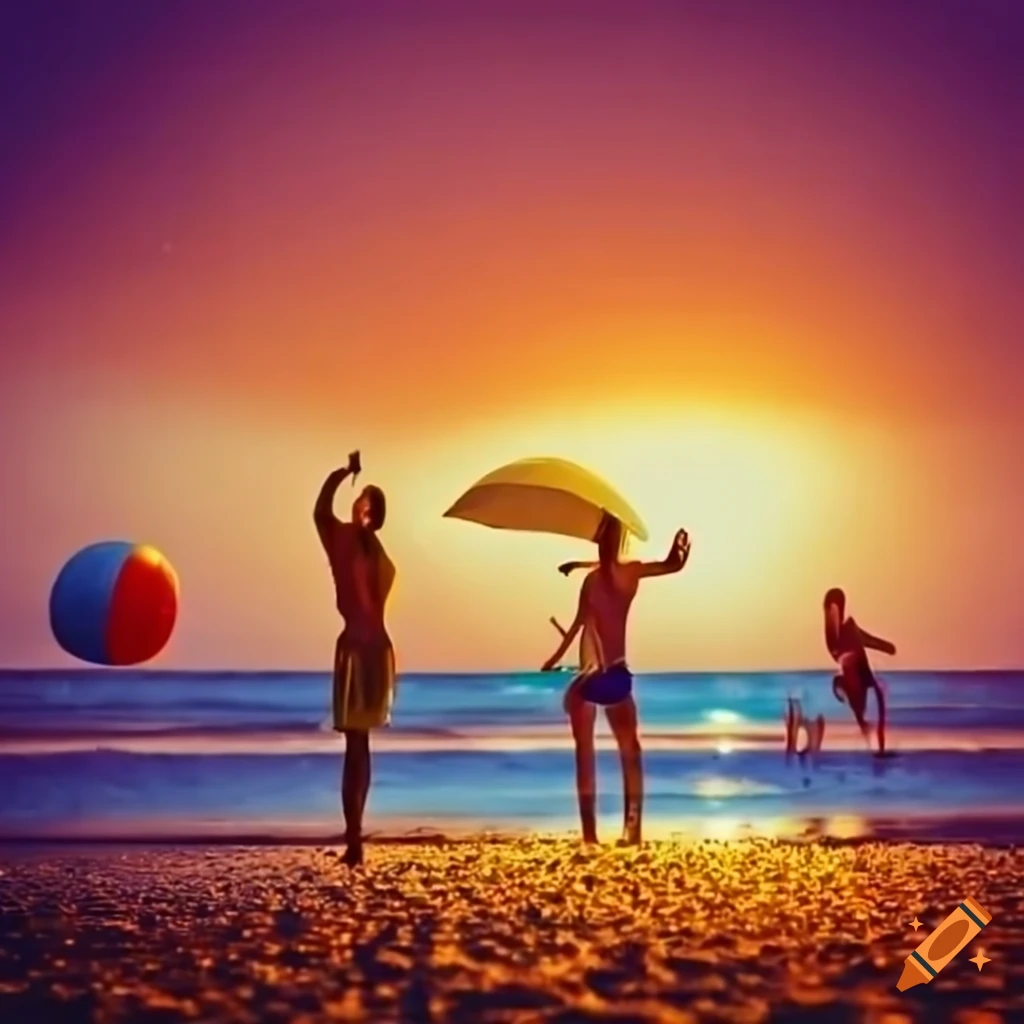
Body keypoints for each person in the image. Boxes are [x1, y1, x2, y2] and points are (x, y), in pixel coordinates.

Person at [541, 513, 691, 845]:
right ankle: (632, 829)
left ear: (598, 539)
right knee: (630, 751)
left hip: (591, 678)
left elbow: (578, 625)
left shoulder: (592, 582)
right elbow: (669, 565)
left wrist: (552, 660)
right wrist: (678, 553)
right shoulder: (631, 572)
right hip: (618, 675)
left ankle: (590, 835)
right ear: (622, 538)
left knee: (584, 751)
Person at [314, 450, 396, 866]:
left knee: (355, 746)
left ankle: (354, 838)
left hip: (355, 649)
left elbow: (319, 510)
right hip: (379, 649)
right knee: (361, 748)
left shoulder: (346, 541)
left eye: (361, 497)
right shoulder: (380, 555)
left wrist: (341, 472)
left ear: (365, 510)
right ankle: (355, 835)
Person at [823, 587, 895, 754]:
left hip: (852, 661)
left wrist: (885, 646)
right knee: (869, 699)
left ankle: (877, 741)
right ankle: (874, 741)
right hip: (849, 661)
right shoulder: (841, 633)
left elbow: (864, 639)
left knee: (873, 695)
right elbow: (857, 640)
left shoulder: (847, 630)